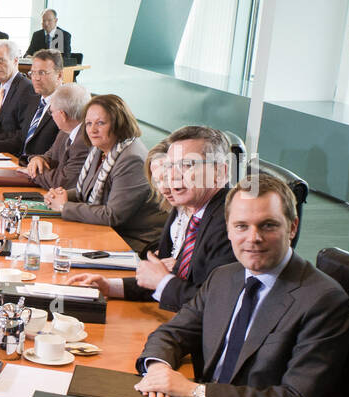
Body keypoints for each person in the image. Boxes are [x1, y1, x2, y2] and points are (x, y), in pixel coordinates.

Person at [134, 174, 349, 397]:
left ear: (292, 228)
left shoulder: (323, 300)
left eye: (268, 226)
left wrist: (194, 390)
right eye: (241, 226)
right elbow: (173, 332)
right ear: (228, 227)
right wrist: (159, 368)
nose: (253, 239)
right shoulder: (225, 276)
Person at [69, 126, 237, 311]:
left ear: (219, 172)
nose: (172, 176)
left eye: (187, 165)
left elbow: (215, 305)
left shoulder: (231, 222)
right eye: (171, 166)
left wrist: (163, 281)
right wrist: (110, 286)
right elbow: (162, 279)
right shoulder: (191, 206)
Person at [42, 93, 166, 252]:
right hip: (106, 231)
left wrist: (64, 206)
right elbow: (89, 192)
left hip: (132, 240)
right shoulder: (100, 149)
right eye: (88, 123)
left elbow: (112, 215)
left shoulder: (132, 158)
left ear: (118, 124)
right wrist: (62, 195)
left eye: (100, 123)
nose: (92, 130)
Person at [21, 82, 91, 190]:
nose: (51, 115)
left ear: (62, 115)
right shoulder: (64, 132)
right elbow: (50, 156)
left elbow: (64, 182)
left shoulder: (84, 141)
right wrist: (37, 159)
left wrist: (34, 173)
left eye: (51, 112)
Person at [10, 48, 64, 160]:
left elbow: (58, 153)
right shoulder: (33, 100)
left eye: (42, 73)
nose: (36, 78)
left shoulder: (66, 105)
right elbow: (21, 137)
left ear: (59, 75)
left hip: (40, 170)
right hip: (19, 163)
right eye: (33, 73)